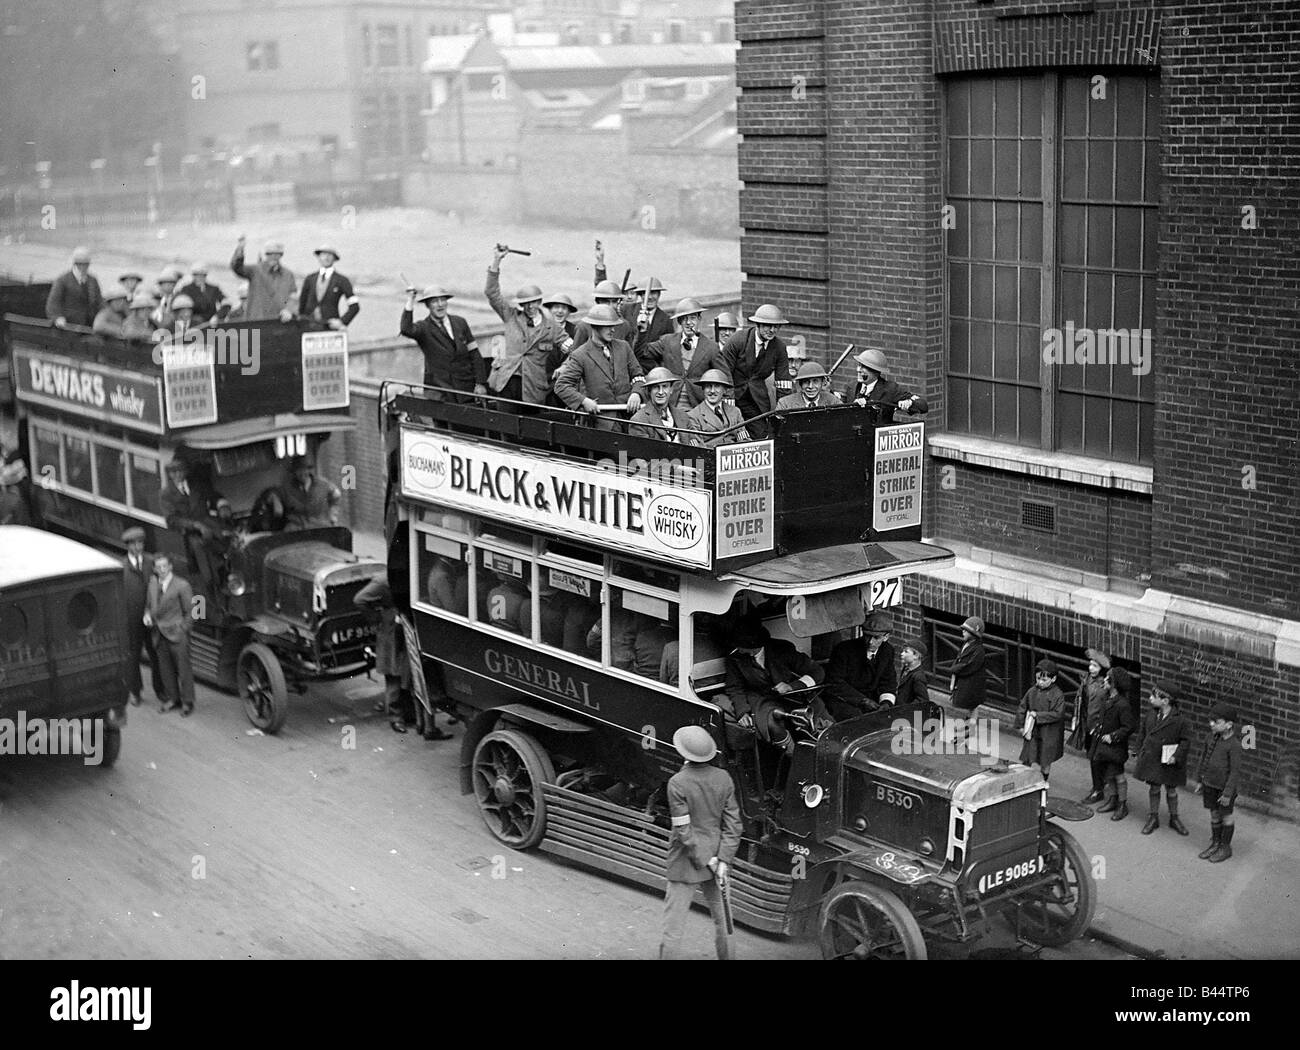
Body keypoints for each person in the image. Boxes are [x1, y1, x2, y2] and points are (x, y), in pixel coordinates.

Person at [661, 725, 741, 961]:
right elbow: (734, 824)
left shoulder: (677, 783)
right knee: (725, 925)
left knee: (673, 929)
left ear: (684, 754)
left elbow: (683, 830)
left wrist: (709, 861)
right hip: (718, 860)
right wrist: (723, 860)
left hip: (685, 863)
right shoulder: (723, 778)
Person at [722, 616, 824, 754]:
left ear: (753, 645)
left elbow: (817, 672)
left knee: (819, 723)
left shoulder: (782, 649)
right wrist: (742, 712)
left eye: (741, 646)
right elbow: (734, 688)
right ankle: (792, 758)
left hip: (793, 697)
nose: (738, 649)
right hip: (761, 699)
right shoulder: (735, 658)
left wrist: (793, 686)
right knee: (772, 724)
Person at [484, 244, 560, 407]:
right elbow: (492, 293)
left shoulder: (551, 326)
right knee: (505, 426)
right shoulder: (510, 316)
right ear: (520, 305)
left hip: (534, 390)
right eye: (526, 304)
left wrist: (566, 368)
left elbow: (572, 349)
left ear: (540, 302)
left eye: (534, 302)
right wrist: (497, 260)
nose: (530, 307)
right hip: (506, 383)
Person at [553, 304, 646, 430]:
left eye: (613, 326)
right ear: (595, 327)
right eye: (607, 327)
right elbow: (561, 386)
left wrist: (636, 393)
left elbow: (638, 376)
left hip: (628, 419)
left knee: (624, 450)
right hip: (600, 422)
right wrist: (584, 401)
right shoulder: (581, 354)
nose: (612, 330)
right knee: (612, 449)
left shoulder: (624, 347)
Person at [401, 284, 487, 401]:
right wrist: (410, 299)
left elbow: (475, 354)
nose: (440, 304)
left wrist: (480, 383)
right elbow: (406, 329)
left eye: (443, 300)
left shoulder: (460, 323)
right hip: (440, 394)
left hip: (466, 390)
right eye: (435, 301)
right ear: (427, 305)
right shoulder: (423, 328)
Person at [721, 304, 792, 438]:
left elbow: (784, 383)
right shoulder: (737, 340)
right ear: (757, 324)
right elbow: (724, 373)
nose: (772, 330)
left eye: (776, 326)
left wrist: (782, 413)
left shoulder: (779, 348)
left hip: (756, 400)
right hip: (731, 397)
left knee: (761, 435)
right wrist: (728, 402)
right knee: (729, 435)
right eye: (767, 325)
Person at [1133, 679, 1192, 835]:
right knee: (1154, 788)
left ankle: (1174, 817)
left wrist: (1176, 756)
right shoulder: (1151, 714)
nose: (1150, 699)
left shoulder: (1180, 720)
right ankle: (1153, 817)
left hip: (1169, 760)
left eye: (1154, 696)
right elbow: (1143, 733)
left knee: (1171, 790)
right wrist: (1138, 749)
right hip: (1153, 758)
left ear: (1165, 701)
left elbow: (1185, 741)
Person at [643, 297, 719, 412]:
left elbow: (723, 375)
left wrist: (728, 398)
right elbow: (642, 351)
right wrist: (642, 330)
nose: (689, 323)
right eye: (684, 319)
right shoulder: (667, 341)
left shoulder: (711, 347)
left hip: (698, 407)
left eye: (693, 318)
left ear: (699, 319)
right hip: (670, 406)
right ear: (679, 322)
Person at [143, 553, 195, 716]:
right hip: (159, 633)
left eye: (165, 566)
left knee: (183, 669)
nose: (162, 570)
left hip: (177, 634)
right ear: (154, 569)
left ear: (171, 567)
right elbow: (149, 605)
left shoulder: (182, 585)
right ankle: (173, 698)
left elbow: (192, 612)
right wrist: (147, 615)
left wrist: (183, 629)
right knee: (165, 669)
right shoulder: (152, 583)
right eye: (158, 567)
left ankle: (187, 702)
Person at [825, 610, 897, 720]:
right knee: (858, 721)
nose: (870, 642)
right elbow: (834, 682)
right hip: (844, 701)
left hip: (873, 701)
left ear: (886, 637)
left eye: (876, 638)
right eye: (867, 636)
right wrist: (862, 701)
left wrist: (886, 703)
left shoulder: (887, 651)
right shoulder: (844, 650)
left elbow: (888, 681)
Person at [121, 526, 164, 706]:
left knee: (156, 653)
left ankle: (161, 690)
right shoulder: (121, 568)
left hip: (151, 617)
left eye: (141, 543)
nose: (138, 547)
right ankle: (135, 691)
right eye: (134, 544)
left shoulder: (151, 562)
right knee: (133, 656)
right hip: (132, 619)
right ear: (128, 546)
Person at [1195, 702, 1241, 862]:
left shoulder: (1234, 745)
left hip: (1224, 790)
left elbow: (1234, 772)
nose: (1211, 724)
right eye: (1211, 721)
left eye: (1216, 722)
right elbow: (1204, 759)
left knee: (1226, 816)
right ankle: (1215, 843)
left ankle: (1225, 847)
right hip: (1209, 785)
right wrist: (1200, 780)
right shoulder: (1210, 738)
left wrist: (1227, 793)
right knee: (1214, 814)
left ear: (1229, 725)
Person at [1091, 666, 1136, 821]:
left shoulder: (1123, 705)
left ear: (1114, 684)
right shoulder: (1106, 699)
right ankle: (1112, 799)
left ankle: (1122, 804)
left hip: (1116, 747)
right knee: (1109, 774)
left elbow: (1129, 727)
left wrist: (1114, 736)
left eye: (1107, 679)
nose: (1104, 680)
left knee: (1118, 774)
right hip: (1104, 745)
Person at [1016, 658, 1066, 781]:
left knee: (1045, 759)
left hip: (1049, 733)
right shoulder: (1032, 691)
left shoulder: (1057, 695)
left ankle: (1043, 781)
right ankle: (1023, 780)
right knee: (1027, 756)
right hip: (1033, 731)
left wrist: (1037, 716)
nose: (1040, 682)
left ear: (1053, 679)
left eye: (1044, 680)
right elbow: (1023, 706)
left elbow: (1058, 714)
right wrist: (1021, 725)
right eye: (1038, 679)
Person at [1073, 648, 1112, 803]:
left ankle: (1098, 789)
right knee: (1092, 756)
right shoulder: (1086, 680)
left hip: (1100, 727)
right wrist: (1076, 716)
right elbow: (1079, 698)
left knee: (1096, 758)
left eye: (1095, 666)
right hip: (1087, 725)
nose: (1091, 669)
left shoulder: (1106, 685)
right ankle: (1099, 784)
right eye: (1090, 665)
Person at [846, 348, 928, 419]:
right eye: (859, 365)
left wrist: (910, 403)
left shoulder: (890, 389)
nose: (858, 370)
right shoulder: (852, 387)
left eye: (863, 367)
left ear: (875, 372)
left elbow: (923, 406)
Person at [230, 236, 297, 322]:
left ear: (281, 255)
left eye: (277, 254)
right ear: (266, 255)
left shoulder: (288, 275)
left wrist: (289, 310)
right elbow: (237, 268)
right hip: (257, 322)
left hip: (280, 322)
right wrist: (240, 250)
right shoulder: (255, 270)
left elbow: (293, 296)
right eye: (269, 254)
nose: (273, 257)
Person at [298, 245, 359, 329]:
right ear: (318, 257)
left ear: (334, 258)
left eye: (330, 255)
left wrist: (342, 322)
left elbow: (355, 306)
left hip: (330, 326)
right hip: (309, 326)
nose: (326, 258)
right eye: (323, 254)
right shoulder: (310, 279)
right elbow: (302, 304)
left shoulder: (342, 280)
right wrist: (301, 322)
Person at [686, 369, 749, 447]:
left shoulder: (735, 411)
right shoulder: (693, 416)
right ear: (703, 389)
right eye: (708, 386)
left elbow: (744, 440)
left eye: (717, 386)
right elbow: (698, 449)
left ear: (725, 390)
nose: (712, 391)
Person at [46, 246, 102, 328]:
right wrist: (58, 318)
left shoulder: (92, 280)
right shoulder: (62, 280)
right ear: (74, 263)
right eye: (79, 263)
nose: (83, 266)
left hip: (90, 324)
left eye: (86, 264)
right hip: (69, 325)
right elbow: (53, 304)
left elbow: (99, 301)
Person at [280, 456, 341, 530]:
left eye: (304, 469)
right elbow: (275, 494)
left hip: (320, 527)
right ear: (294, 473)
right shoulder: (287, 488)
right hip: (296, 529)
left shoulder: (324, 485)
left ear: (309, 470)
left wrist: (333, 516)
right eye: (298, 470)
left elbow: (336, 497)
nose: (302, 473)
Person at [627, 367, 687, 440]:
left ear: (671, 390)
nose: (661, 392)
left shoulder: (683, 416)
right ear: (649, 391)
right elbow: (643, 450)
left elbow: (695, 446)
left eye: (664, 386)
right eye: (656, 387)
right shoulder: (639, 421)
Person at [943, 615, 987, 713]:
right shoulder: (966, 645)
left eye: (966, 630)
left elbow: (969, 666)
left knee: (968, 709)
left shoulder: (979, 650)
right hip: (962, 684)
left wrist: (954, 669)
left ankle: (968, 726)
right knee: (965, 710)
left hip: (971, 687)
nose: (963, 632)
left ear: (974, 634)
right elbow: (959, 659)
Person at [775, 360, 843, 410]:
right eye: (806, 382)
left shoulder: (833, 402)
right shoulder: (785, 404)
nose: (810, 386)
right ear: (800, 384)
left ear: (823, 383)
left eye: (815, 381)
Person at [894, 640, 930, 706]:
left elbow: (922, 701)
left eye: (906, 652)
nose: (902, 654)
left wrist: (911, 713)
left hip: (909, 713)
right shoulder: (906, 669)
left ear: (916, 656)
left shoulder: (918, 677)